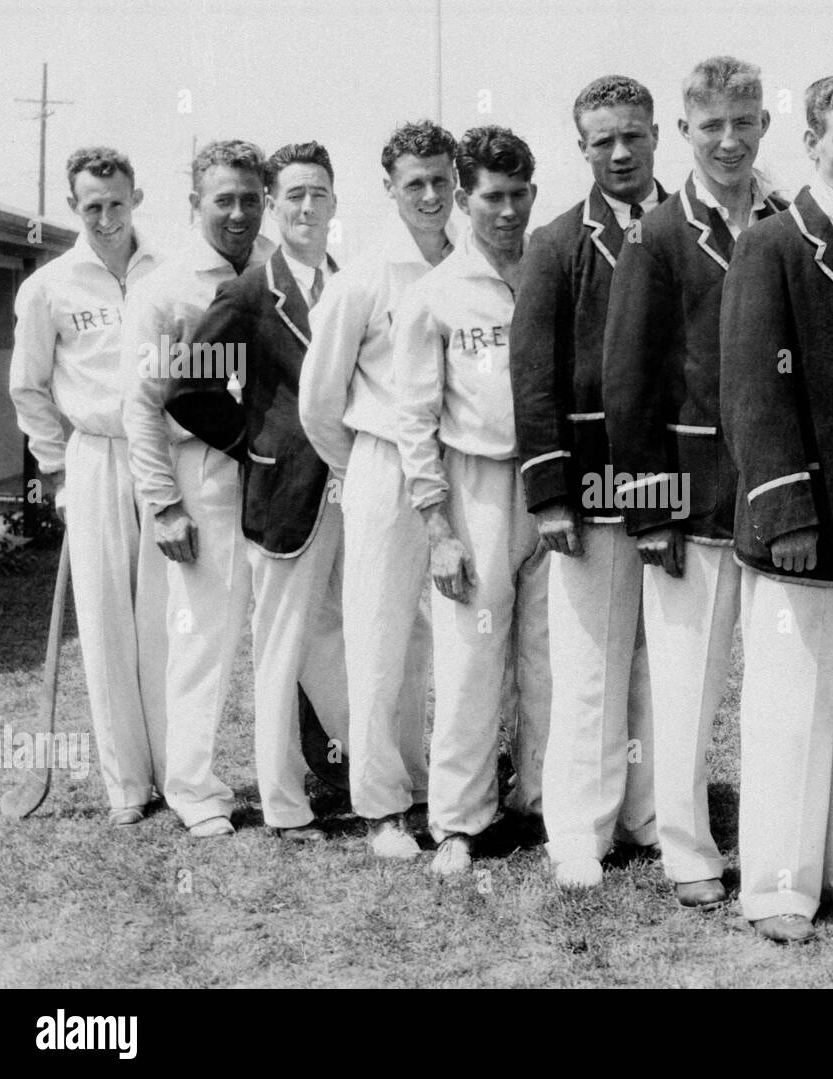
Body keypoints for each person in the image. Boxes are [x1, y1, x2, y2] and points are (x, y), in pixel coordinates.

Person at [603, 56, 786, 911]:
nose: (727, 138)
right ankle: (688, 852)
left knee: (782, 685)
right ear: (685, 131)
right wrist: (646, 511)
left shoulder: (786, 219)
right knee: (685, 687)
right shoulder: (657, 235)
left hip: (776, 499)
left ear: (763, 125)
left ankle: (784, 840)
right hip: (686, 499)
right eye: (710, 124)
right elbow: (627, 385)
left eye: (742, 121)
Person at [720, 75, 833, 944]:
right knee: (790, 707)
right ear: (814, 142)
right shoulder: (774, 244)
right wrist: (784, 508)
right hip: (799, 520)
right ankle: (778, 886)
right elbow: (752, 389)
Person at [164, 141, 348, 843]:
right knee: (281, 648)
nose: (306, 207)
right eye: (293, 194)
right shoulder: (248, 291)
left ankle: (371, 768)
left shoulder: (347, 280)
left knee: (337, 640)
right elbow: (187, 389)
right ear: (277, 202)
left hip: (348, 489)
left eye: (319, 194)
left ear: (335, 202)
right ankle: (283, 803)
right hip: (283, 492)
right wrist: (254, 444)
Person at [510, 75, 669, 889]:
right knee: (590, 663)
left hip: (679, 488)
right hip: (595, 484)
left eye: (633, 135)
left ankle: (649, 811)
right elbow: (533, 379)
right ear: (582, 148)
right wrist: (550, 495)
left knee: (661, 663)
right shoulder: (558, 242)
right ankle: (578, 828)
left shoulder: (693, 231)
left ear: (656, 135)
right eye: (603, 139)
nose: (619, 152)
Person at [300, 121, 461, 859]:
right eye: (414, 183)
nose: (430, 194)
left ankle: (427, 781)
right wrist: (361, 466)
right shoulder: (363, 277)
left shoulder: (471, 260)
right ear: (389, 189)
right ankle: (381, 809)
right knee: (377, 636)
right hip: (384, 465)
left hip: (460, 466)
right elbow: (318, 402)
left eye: (440, 178)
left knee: (440, 637)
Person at [394, 126, 549, 876]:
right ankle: (458, 819)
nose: (508, 210)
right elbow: (413, 416)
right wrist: (437, 525)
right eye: (492, 196)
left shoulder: (554, 266)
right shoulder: (435, 292)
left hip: (550, 484)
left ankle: (543, 801)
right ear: (463, 198)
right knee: (469, 656)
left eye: (520, 194)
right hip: (476, 484)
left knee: (552, 653)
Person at [121, 139, 277, 838]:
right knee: (204, 634)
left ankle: (297, 774)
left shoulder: (283, 267)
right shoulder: (165, 283)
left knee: (289, 625)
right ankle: (194, 788)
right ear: (195, 204)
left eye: (250, 197)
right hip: (203, 470)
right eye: (224, 199)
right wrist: (163, 504)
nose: (239, 212)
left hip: (277, 470)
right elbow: (142, 404)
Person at [9, 146, 166, 825]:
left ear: (137, 199)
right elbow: (28, 386)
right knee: (104, 620)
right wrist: (56, 469)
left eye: (116, 203)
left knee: (164, 617)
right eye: (92, 206)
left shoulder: (166, 273)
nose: (105, 217)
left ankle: (176, 771)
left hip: (163, 452)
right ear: (75, 208)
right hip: (96, 454)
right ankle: (126, 782)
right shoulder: (49, 285)